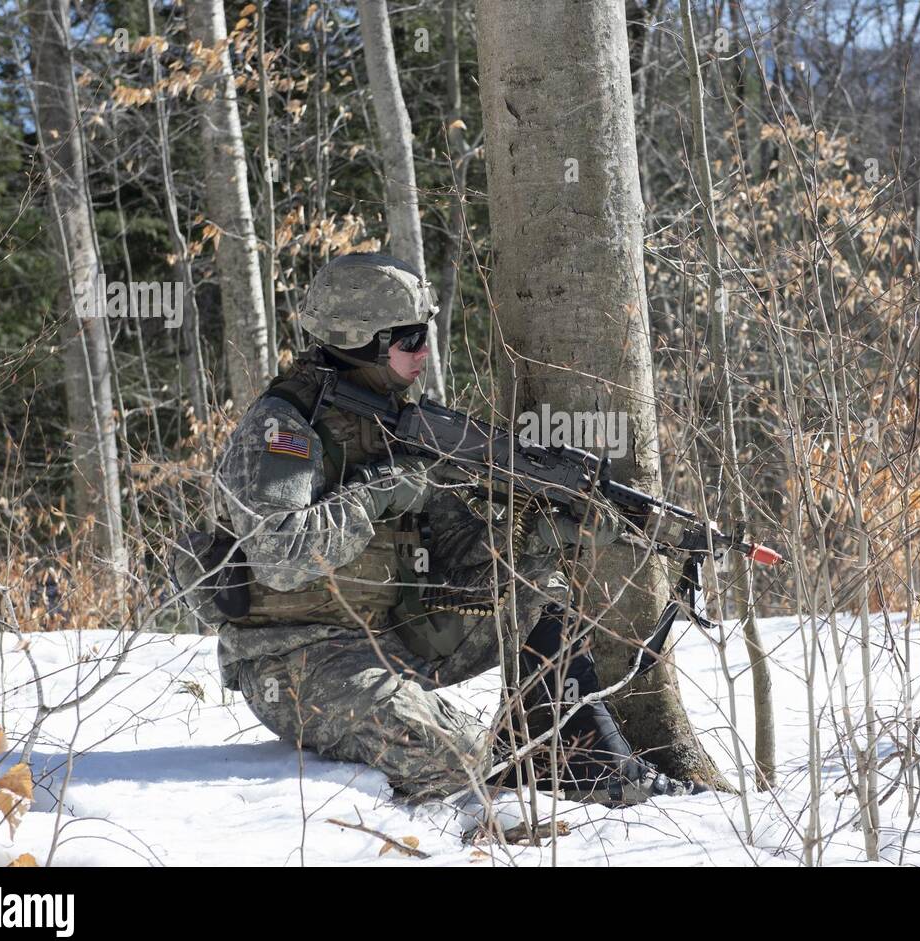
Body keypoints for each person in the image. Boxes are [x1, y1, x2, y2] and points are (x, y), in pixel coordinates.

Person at [179, 252, 706, 805]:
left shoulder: (399, 421)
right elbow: (278, 556)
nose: (423, 350)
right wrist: (379, 492)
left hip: (388, 636)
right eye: (408, 339)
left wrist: (541, 537)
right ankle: (508, 785)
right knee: (458, 756)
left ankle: (586, 759)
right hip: (293, 659)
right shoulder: (286, 428)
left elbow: (455, 555)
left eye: (423, 334)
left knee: (538, 589)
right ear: (362, 339)